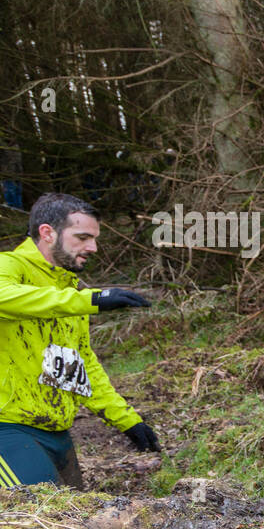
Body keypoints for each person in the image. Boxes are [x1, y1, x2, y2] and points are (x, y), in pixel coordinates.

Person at [0, 193, 159, 488]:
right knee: (41, 522)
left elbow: (78, 365)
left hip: (56, 432)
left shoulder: (67, 292)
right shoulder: (10, 266)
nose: (93, 247)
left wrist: (127, 420)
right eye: (83, 237)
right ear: (48, 233)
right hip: (7, 431)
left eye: (94, 238)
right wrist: (91, 299)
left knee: (77, 520)